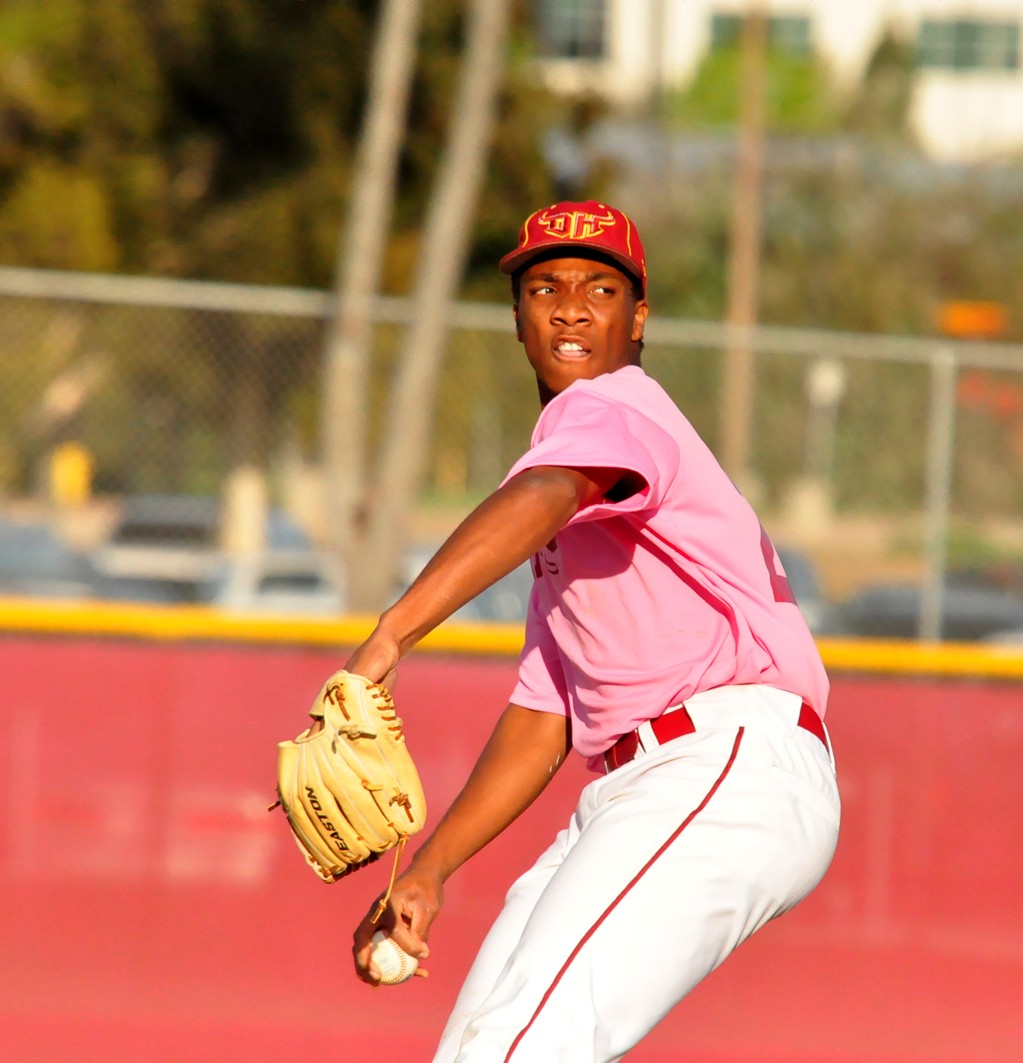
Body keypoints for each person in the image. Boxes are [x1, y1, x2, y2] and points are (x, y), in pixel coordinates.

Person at [341, 201, 841, 1062]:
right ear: (518, 317)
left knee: (527, 1042)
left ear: (638, 317)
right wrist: (431, 866)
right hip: (640, 785)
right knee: (477, 1046)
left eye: (600, 287)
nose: (571, 306)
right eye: (546, 286)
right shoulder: (577, 514)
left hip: (721, 762)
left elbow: (546, 492)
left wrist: (393, 633)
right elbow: (547, 715)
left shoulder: (615, 409)